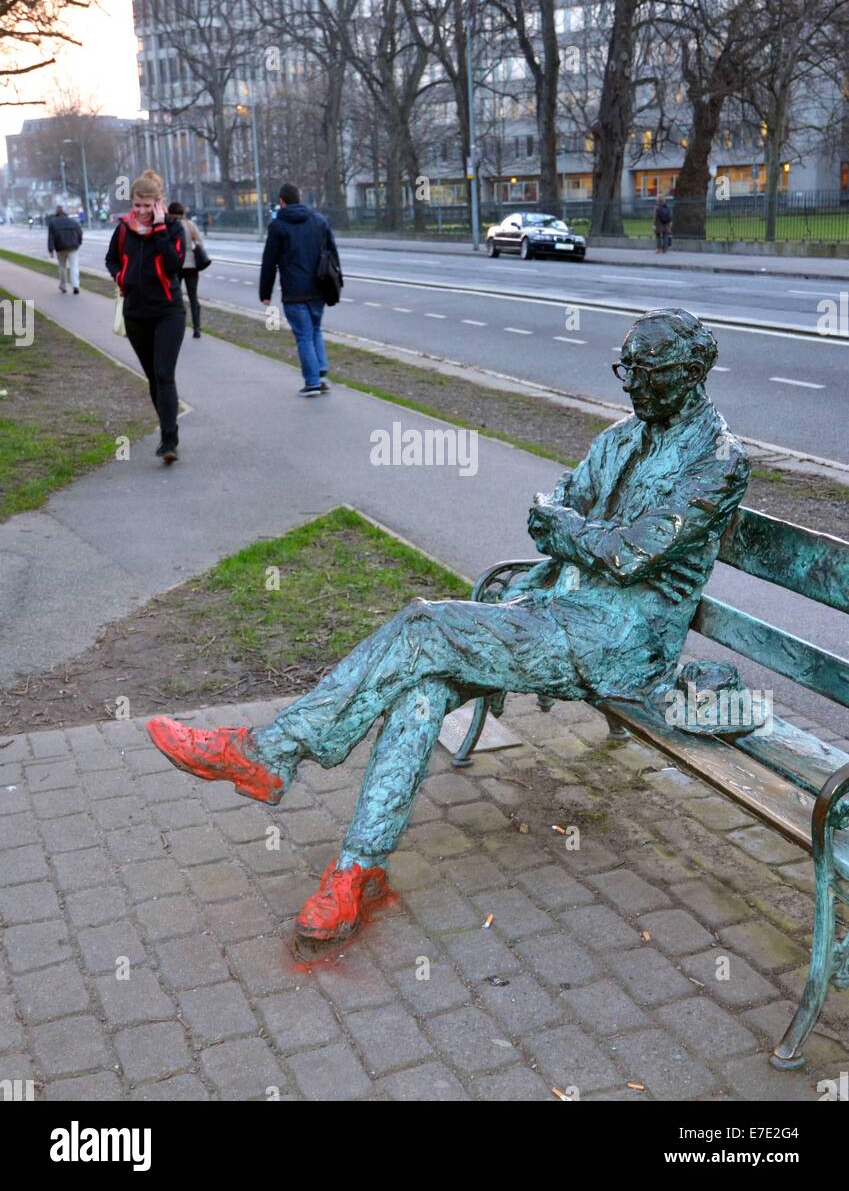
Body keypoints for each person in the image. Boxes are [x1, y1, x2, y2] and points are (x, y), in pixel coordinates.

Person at [147, 308, 750, 944]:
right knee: (421, 687)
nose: (627, 384)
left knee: (424, 628)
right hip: (551, 611)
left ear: (689, 374)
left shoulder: (717, 460)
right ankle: (358, 871)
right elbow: (549, 511)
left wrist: (573, 532)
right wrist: (580, 535)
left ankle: (270, 753)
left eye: (643, 372)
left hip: (619, 645)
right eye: (623, 368)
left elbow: (626, 556)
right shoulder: (621, 437)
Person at [105, 170, 187, 464]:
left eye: (147, 206)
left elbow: (174, 266)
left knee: (165, 374)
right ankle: (169, 429)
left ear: (158, 203)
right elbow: (111, 258)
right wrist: (119, 276)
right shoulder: (124, 229)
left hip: (168, 312)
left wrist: (162, 229)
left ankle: (168, 441)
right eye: (137, 205)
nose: (141, 211)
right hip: (136, 313)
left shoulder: (174, 229)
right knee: (153, 378)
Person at [259, 182, 339, 396]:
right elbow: (332, 254)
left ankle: (312, 382)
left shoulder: (277, 226)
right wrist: (337, 282)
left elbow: (269, 261)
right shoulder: (319, 220)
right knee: (315, 330)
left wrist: (265, 293)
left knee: (303, 335)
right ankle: (321, 374)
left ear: (281, 202)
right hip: (319, 288)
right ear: (300, 198)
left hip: (294, 291)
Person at [168, 201, 203, 338]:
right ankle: (197, 329)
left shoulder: (169, 226)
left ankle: (178, 327)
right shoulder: (190, 225)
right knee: (193, 297)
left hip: (176, 266)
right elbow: (200, 241)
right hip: (192, 266)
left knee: (176, 298)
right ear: (183, 212)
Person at [47, 206, 84, 294]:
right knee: (74, 266)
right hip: (73, 247)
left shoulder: (53, 223)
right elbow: (80, 233)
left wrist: (51, 249)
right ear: (64, 212)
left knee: (62, 267)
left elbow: (51, 237)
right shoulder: (72, 221)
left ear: (56, 213)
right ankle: (76, 286)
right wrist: (79, 243)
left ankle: (63, 286)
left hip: (60, 248)